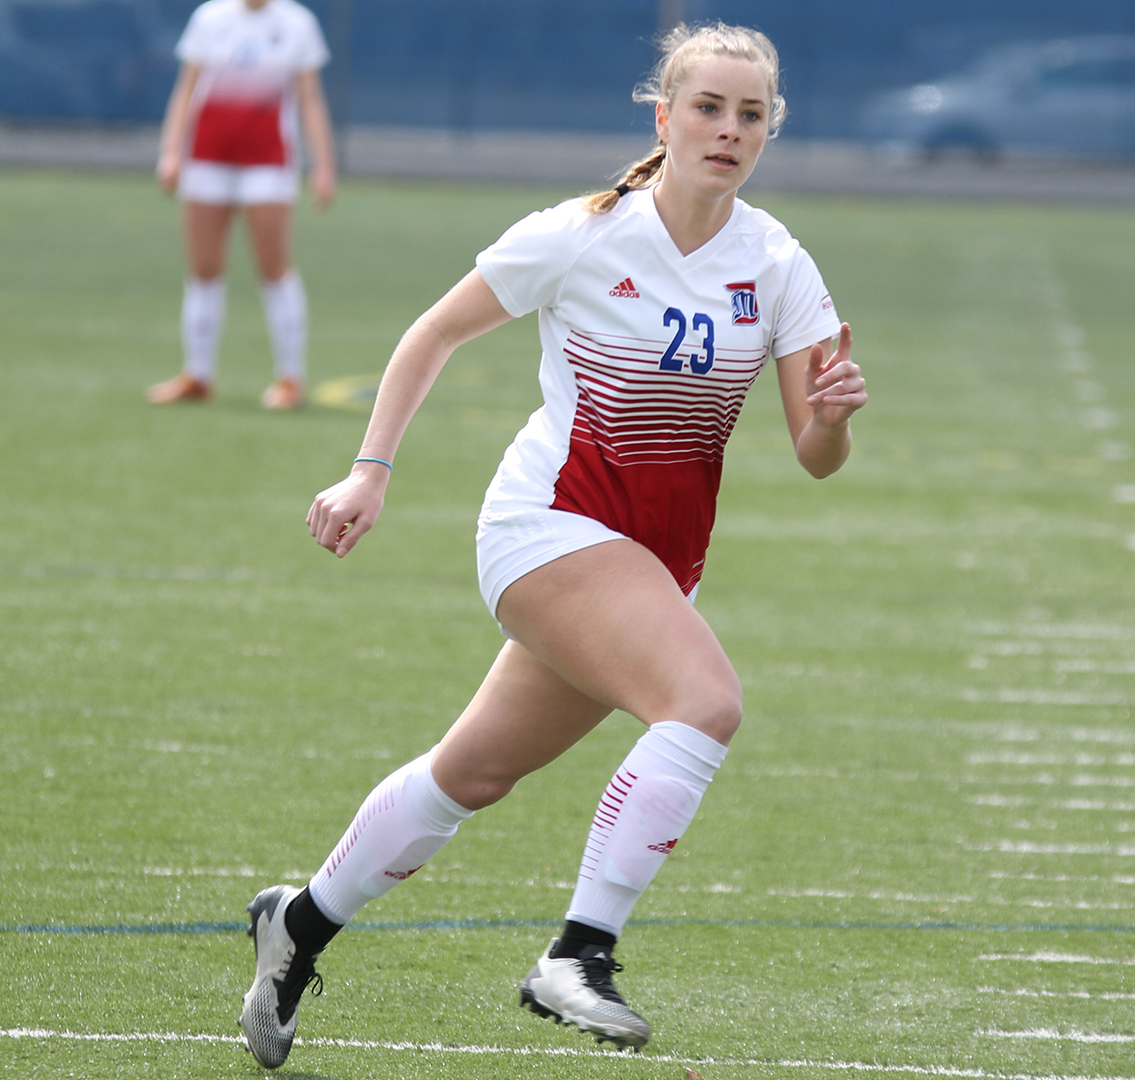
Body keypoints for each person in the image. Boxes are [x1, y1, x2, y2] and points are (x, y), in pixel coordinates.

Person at [232, 22, 866, 1070]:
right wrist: (369, 470)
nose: (728, 129)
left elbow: (815, 454)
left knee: (470, 775)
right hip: (547, 528)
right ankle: (579, 953)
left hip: (655, 571)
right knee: (705, 703)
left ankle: (298, 924)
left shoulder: (778, 262)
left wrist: (837, 415)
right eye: (707, 107)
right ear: (662, 119)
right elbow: (432, 332)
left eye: (751, 114)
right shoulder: (582, 232)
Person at [147, 0, 338, 409]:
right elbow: (186, 89)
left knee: (274, 267)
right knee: (203, 269)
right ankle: (197, 375)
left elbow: (310, 100)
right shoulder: (210, 17)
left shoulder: (297, 23)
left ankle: (290, 378)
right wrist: (171, 151)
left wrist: (323, 164)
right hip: (207, 159)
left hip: (267, 164)